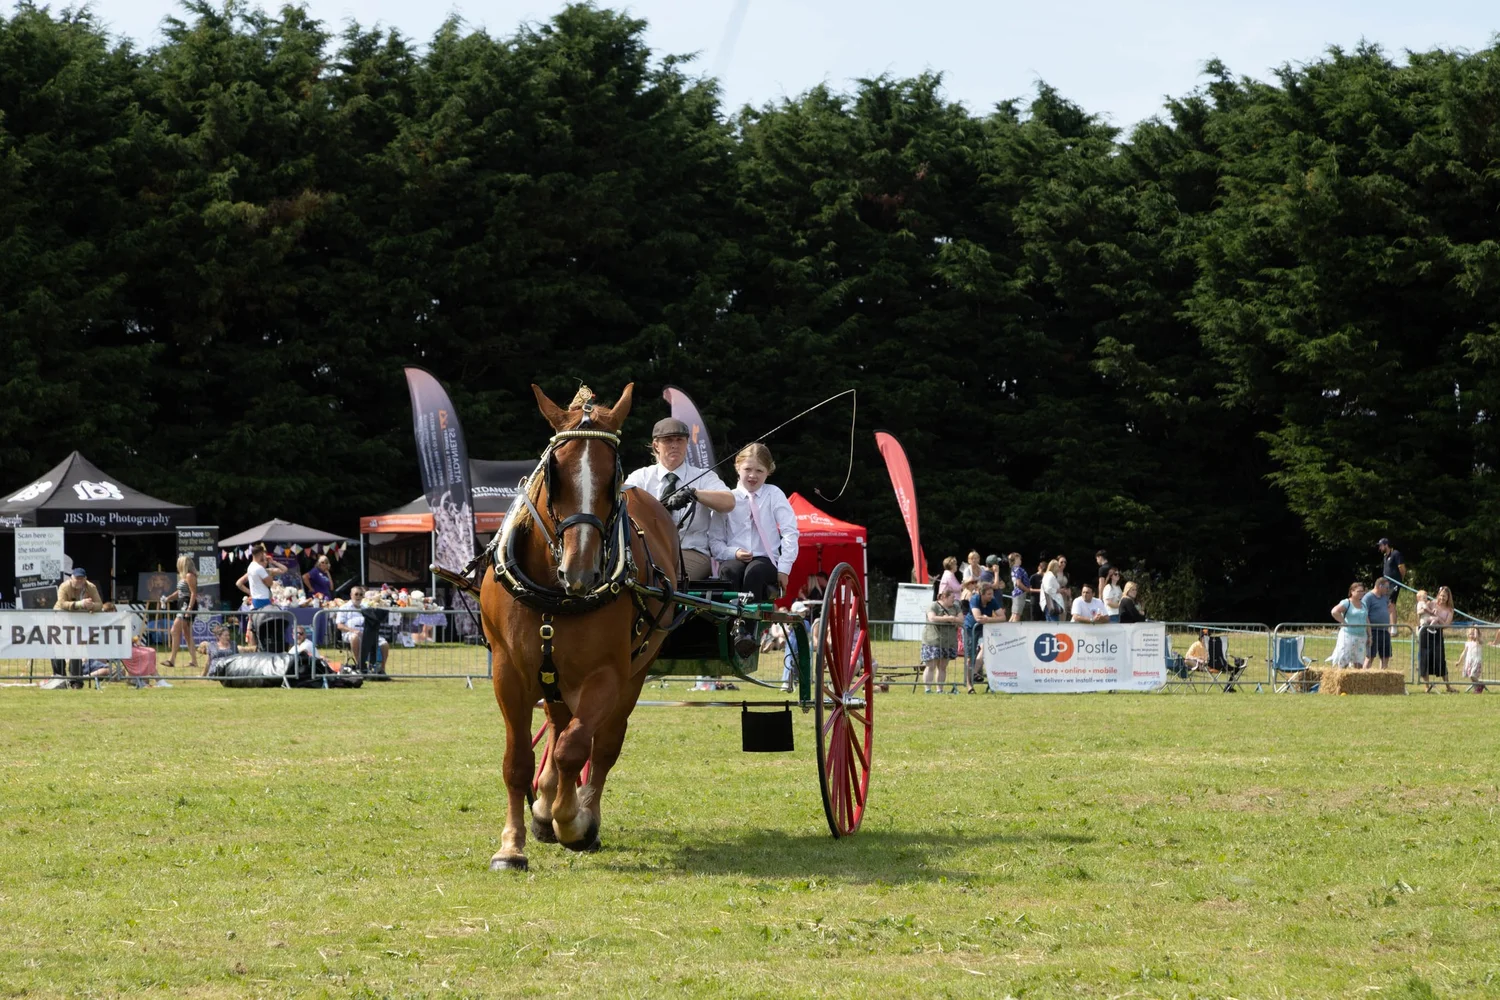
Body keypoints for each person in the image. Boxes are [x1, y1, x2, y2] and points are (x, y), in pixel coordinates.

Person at [624, 417, 736, 581]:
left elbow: (728, 502)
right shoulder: (640, 478)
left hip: (690, 552)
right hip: (648, 551)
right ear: (656, 445)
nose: (675, 445)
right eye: (668, 440)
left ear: (687, 443)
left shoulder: (703, 477)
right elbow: (623, 508)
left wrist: (694, 493)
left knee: (664, 579)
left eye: (680, 440)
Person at [715, 441, 799, 619]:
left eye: (759, 471)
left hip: (765, 560)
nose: (753, 476)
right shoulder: (727, 498)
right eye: (748, 469)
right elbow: (715, 541)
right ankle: (726, 624)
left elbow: (790, 532)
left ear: (768, 472)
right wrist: (734, 552)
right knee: (729, 571)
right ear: (738, 467)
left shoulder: (774, 494)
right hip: (734, 558)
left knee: (755, 571)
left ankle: (748, 629)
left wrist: (784, 569)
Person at [964, 581, 1005, 693]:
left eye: (992, 593)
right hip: (970, 629)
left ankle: (974, 673)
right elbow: (978, 618)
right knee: (970, 657)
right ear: (981, 594)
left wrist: (988, 619)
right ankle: (969, 685)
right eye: (989, 594)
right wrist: (989, 619)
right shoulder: (974, 599)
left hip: (984, 629)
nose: (991, 596)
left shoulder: (993, 601)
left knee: (986, 647)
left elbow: (1003, 617)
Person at [921, 587, 963, 694]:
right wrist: (949, 618)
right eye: (952, 597)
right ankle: (928, 690)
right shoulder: (933, 606)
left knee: (943, 667)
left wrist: (952, 618)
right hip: (933, 641)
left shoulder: (956, 607)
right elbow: (932, 618)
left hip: (948, 642)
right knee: (931, 666)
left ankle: (940, 690)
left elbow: (961, 620)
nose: (954, 599)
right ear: (944, 597)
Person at [336, 587, 388, 670]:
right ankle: (360, 666)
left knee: (384, 644)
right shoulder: (344, 608)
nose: (358, 596)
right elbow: (339, 625)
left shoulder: (366, 608)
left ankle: (381, 669)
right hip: (350, 633)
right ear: (351, 595)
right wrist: (354, 631)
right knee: (355, 637)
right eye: (356, 594)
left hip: (367, 634)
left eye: (360, 594)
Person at [163, 554, 199, 671]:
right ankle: (194, 661)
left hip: (187, 604)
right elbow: (179, 592)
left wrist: (189, 608)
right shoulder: (184, 577)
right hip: (183, 603)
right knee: (187, 634)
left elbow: (193, 593)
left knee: (174, 630)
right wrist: (168, 598)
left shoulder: (189, 576)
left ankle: (172, 659)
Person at [1417, 586, 1456, 693]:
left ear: (1448, 598)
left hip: (1437, 634)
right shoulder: (1431, 603)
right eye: (1441, 595)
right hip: (1425, 632)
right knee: (1425, 657)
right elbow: (1420, 613)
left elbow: (1446, 625)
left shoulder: (1450, 610)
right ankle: (1426, 686)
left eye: (1445, 596)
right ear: (1438, 595)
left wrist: (1438, 619)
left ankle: (1448, 687)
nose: (1442, 598)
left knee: (1440, 658)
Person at [1328, 582, 1369, 668]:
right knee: (1344, 659)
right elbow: (1334, 611)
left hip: (1361, 636)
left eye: (1363, 591)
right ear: (1352, 591)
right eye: (1359, 591)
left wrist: (1370, 635)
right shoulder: (1346, 603)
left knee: (1359, 662)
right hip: (1348, 635)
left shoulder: (1364, 604)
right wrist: (1344, 622)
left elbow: (1367, 620)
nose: (1361, 593)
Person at [1362, 577, 1394, 670]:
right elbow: (1364, 614)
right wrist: (1369, 633)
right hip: (1373, 631)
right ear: (1380, 586)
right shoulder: (1368, 597)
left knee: (1385, 656)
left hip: (1384, 631)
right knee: (1370, 657)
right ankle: (1364, 678)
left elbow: (1389, 608)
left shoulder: (1385, 598)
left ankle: (1382, 678)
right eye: (1386, 587)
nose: (1388, 590)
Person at [1378, 538, 1406, 608]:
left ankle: (1392, 619)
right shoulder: (1385, 556)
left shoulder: (1395, 554)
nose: (1380, 548)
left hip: (1394, 583)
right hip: (1386, 583)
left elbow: (1402, 568)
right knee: (1385, 602)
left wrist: (1400, 579)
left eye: (1381, 546)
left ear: (1386, 545)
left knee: (1391, 603)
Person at [1460, 627, 1486, 692]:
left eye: (1473, 633)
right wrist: (1459, 661)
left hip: (1476, 661)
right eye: (1470, 634)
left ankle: (1480, 684)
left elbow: (1477, 637)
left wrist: (1476, 629)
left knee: (1472, 675)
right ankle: (1476, 689)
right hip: (1469, 661)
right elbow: (1464, 652)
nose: (1472, 635)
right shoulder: (1467, 643)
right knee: (1471, 677)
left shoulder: (1479, 642)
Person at [1007, 553, 1029, 622]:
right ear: (1016, 559)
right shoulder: (1018, 569)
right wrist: (1027, 589)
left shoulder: (1013, 569)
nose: (1020, 560)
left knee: (1014, 614)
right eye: (1019, 558)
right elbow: (1018, 583)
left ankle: (1008, 629)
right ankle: (1013, 631)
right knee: (1017, 615)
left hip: (1015, 593)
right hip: (1020, 593)